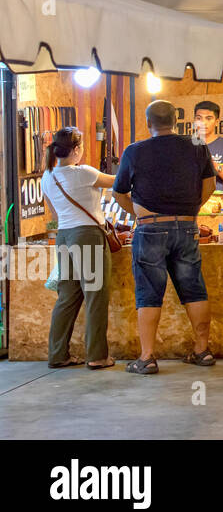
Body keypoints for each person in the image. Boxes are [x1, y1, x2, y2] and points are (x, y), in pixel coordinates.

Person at [113, 100, 217, 375]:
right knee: (194, 288)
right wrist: (192, 209)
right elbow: (210, 184)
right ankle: (202, 351)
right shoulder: (196, 145)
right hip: (186, 227)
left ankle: (147, 358)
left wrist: (140, 214)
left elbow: (118, 193)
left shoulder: (134, 151)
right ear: (176, 119)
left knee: (149, 293)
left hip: (150, 229)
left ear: (148, 123)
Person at [43, 127, 118, 369]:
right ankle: (97, 356)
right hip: (87, 235)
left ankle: (57, 354)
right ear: (76, 150)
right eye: (82, 147)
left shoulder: (48, 177)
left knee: (67, 296)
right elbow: (118, 182)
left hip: (64, 236)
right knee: (96, 295)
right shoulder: (83, 173)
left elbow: (55, 214)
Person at [193, 100, 223, 192]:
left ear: (217, 122)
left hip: (220, 201)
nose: (203, 123)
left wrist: (215, 165)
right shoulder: (185, 145)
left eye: (208, 118)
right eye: (199, 118)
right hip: (191, 202)